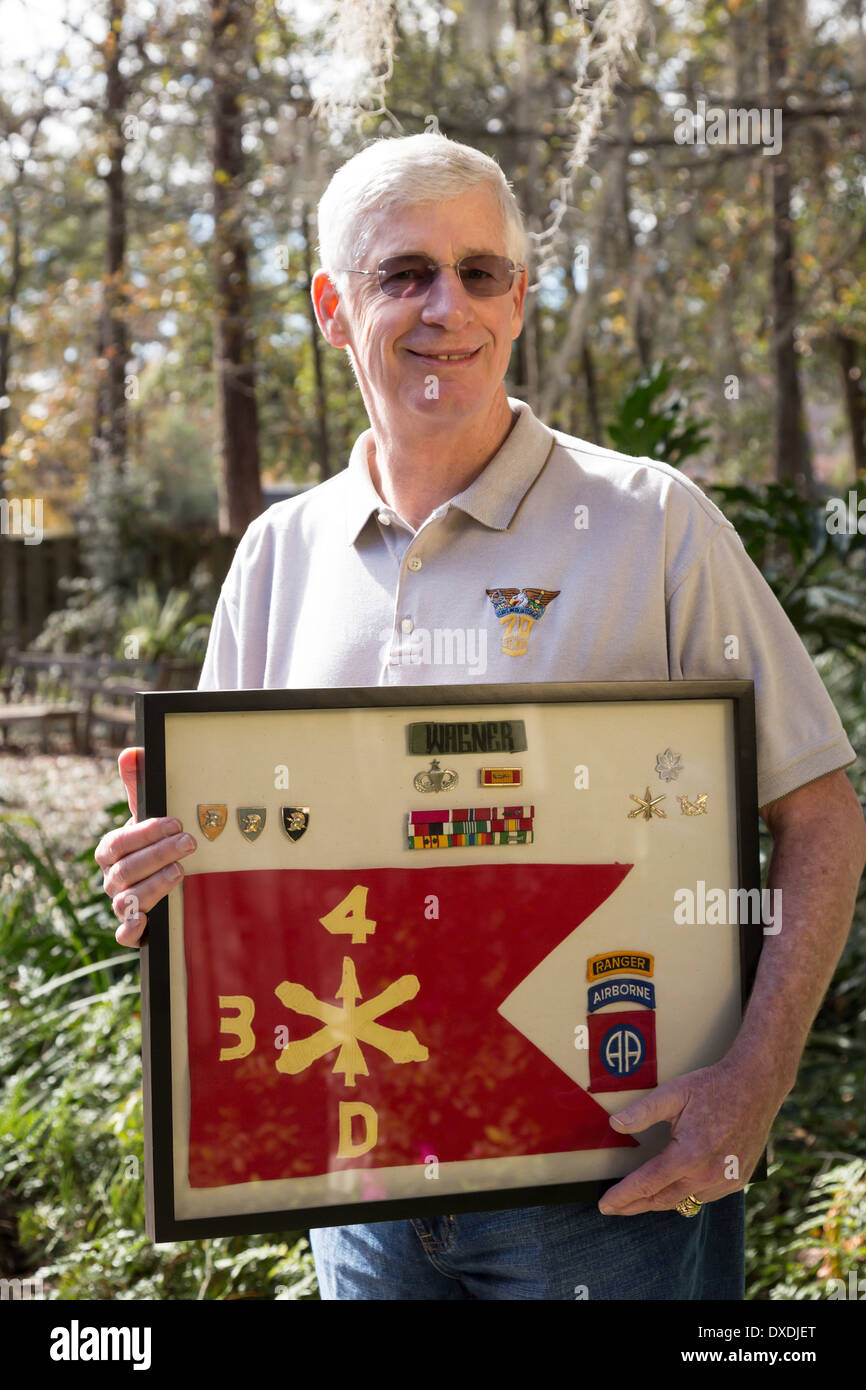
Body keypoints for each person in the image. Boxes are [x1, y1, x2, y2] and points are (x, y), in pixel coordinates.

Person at [95, 132, 866, 1300]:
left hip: (613, 1197)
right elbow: (236, 874)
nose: (444, 305)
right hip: (358, 1201)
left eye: (480, 272)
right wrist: (160, 881)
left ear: (517, 301)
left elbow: (820, 816)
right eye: (403, 273)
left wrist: (752, 1082)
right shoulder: (274, 557)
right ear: (331, 307)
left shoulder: (650, 523)